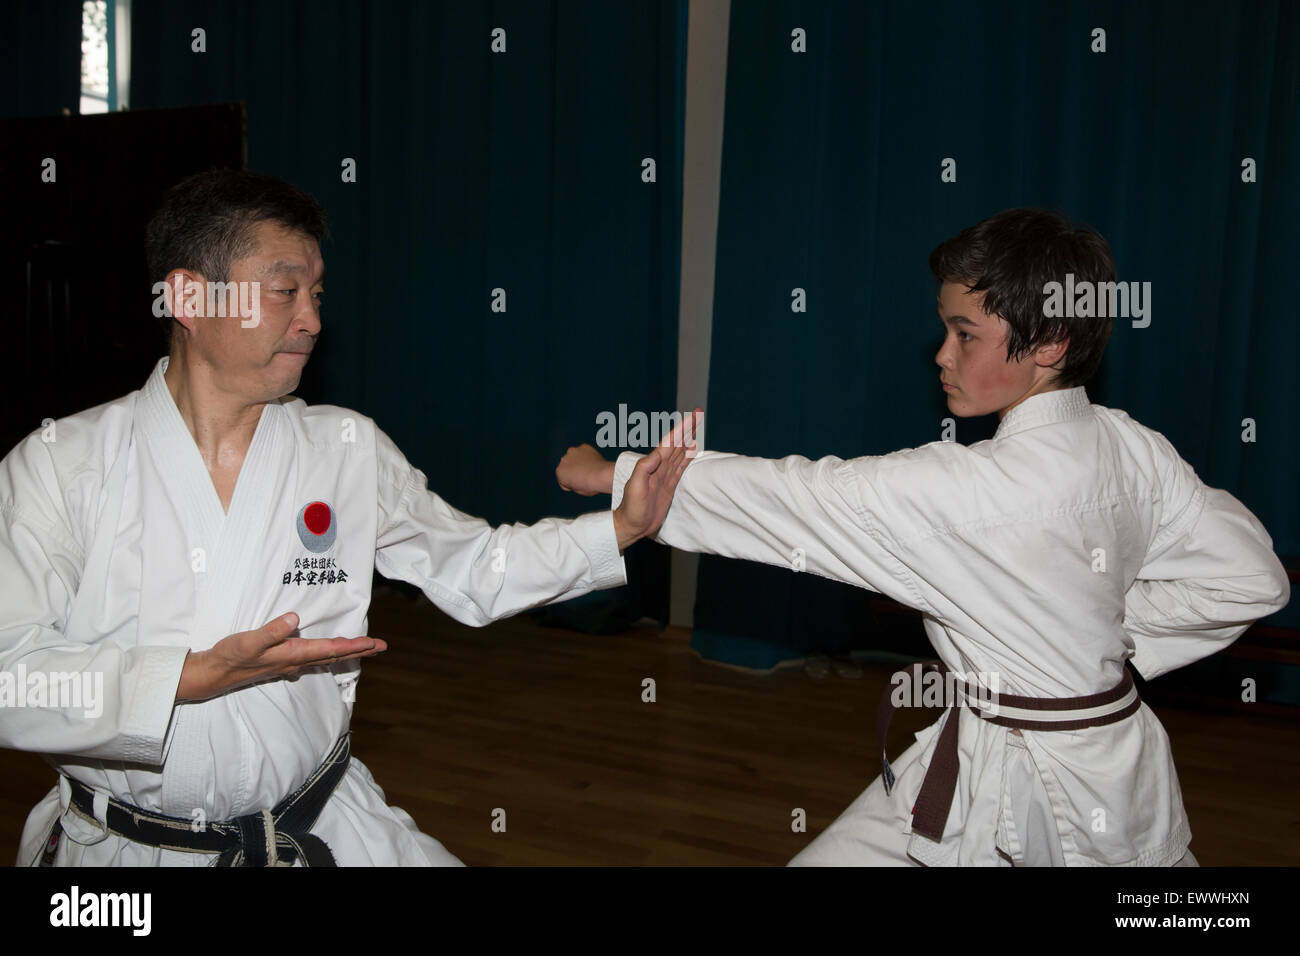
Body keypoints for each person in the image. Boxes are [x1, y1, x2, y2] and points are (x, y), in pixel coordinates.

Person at [556, 208, 1290, 866]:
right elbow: (1254, 578)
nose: (941, 354)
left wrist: (615, 477)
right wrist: (1098, 642)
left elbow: (787, 500)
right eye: (945, 329)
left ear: (1053, 342)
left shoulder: (960, 491)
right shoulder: (1132, 446)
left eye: (964, 333)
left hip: (1069, 797)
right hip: (1066, 751)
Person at [0, 167, 690, 866]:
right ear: (185, 296)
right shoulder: (61, 467)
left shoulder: (345, 450)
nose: (313, 320)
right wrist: (184, 677)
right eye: (283, 291)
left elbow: (476, 567)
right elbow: (11, 678)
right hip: (123, 853)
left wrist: (621, 527)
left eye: (317, 293)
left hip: (321, 824)